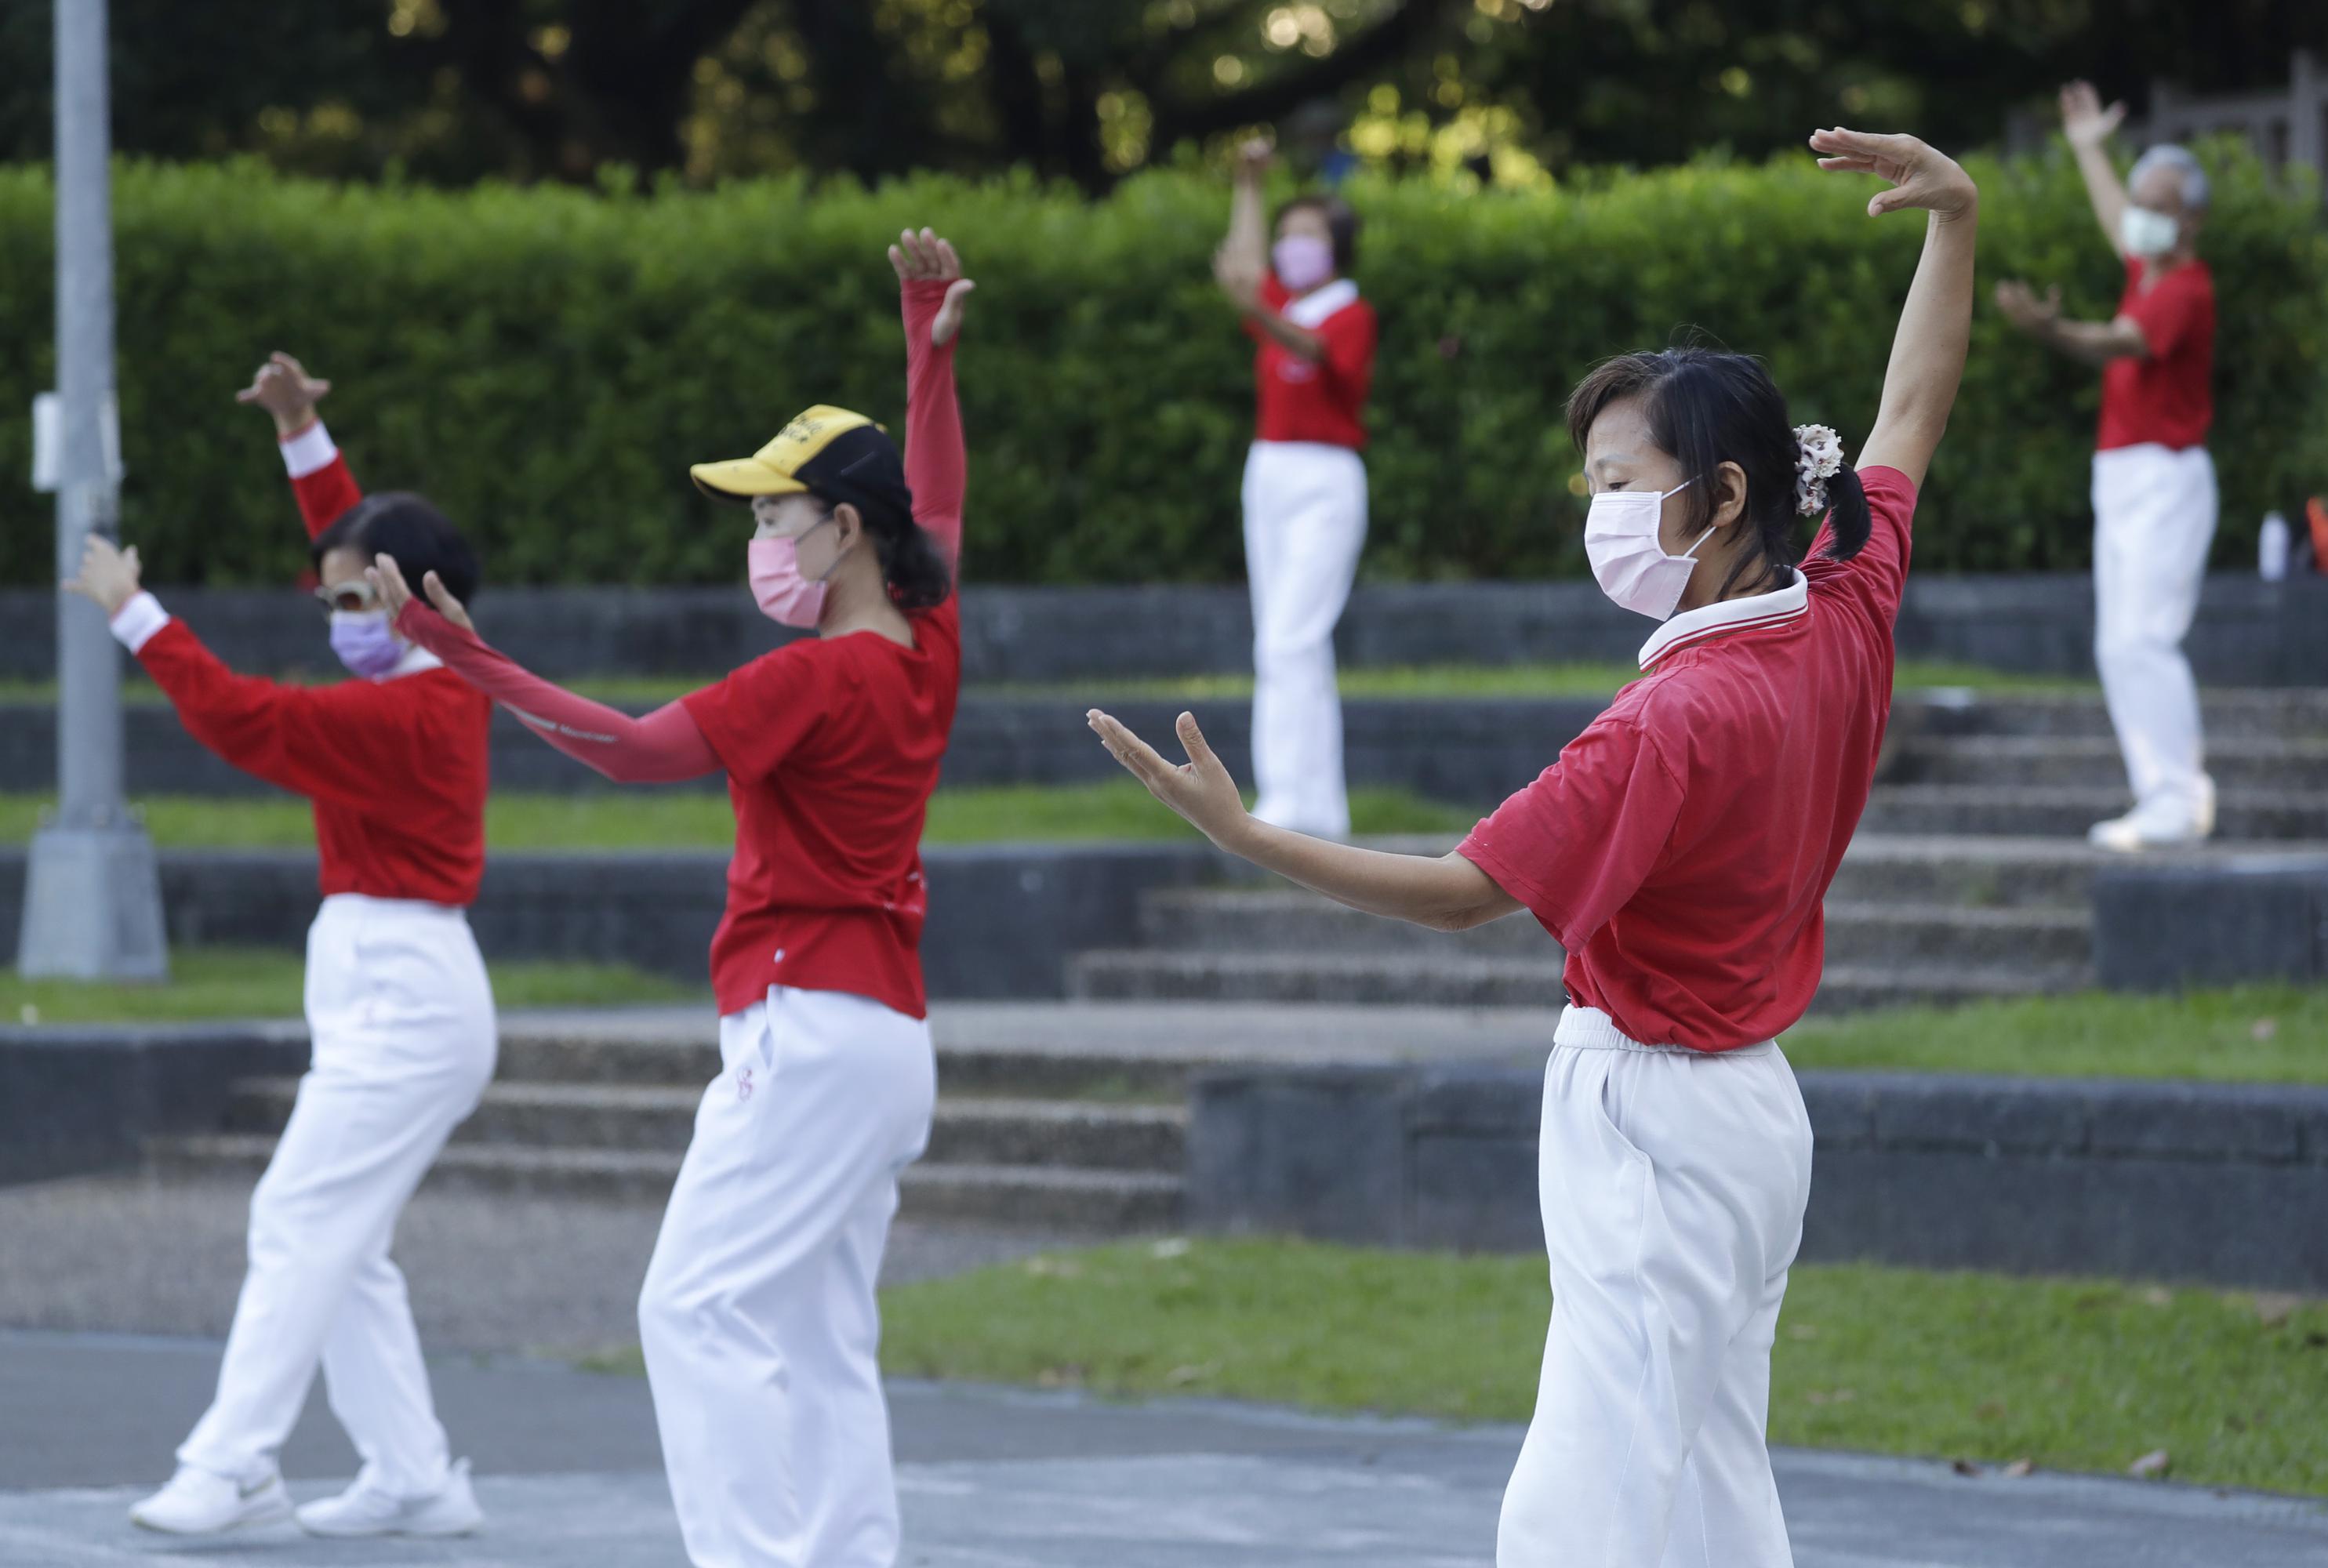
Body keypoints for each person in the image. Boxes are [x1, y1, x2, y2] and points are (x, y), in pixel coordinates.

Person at [1092, 126, 1978, 1568]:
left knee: (1585, 1502)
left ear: (1729, 497)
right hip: (1756, 1115)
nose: (1600, 512)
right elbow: (1911, 412)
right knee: (1705, 1485)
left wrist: (1250, 836)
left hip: (1653, 1108)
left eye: (1620, 481)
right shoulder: (1843, 603)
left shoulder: (1670, 718)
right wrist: (1956, 220)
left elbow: (1464, 896)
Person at [367, 227, 972, 1568]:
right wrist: (926, 347)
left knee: (692, 1309)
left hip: (805, 1029)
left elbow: (630, 750)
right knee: (821, 1337)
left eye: (773, 512)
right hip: (885, 1046)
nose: (759, 536)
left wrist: (466, 658)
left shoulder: (812, 679)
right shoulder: (925, 644)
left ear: (845, 529)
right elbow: (941, 506)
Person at [65, 356, 495, 1539]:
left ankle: (235, 1462)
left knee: (300, 1219)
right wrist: (305, 433)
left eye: (356, 604)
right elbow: (350, 546)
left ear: (416, 599)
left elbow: (244, 719)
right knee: (342, 1243)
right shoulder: (419, 658)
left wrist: (133, 610)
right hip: (387, 981)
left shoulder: (411, 708)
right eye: (334, 602)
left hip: (406, 993)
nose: (338, 617)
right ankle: (416, 1477)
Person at [1997, 82, 2219, 851]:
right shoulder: (2149, 267)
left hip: (2165, 477)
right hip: (2126, 475)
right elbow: (2114, 217)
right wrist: (2091, 147)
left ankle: (2177, 798)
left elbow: (2118, 342)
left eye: (2157, 203)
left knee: (2142, 640)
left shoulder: (2184, 289)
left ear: (2190, 218)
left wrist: (2048, 327)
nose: (2141, 212)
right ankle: (2162, 794)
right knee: (2118, 642)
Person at [1215, 134, 1378, 841]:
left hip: (1326, 478)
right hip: (1270, 470)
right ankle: (1314, 806)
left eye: (1307, 235)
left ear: (1336, 247)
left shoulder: (1349, 312)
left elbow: (1310, 349)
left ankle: (1292, 802)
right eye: (1287, 235)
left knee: (1292, 637)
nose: (1290, 246)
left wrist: (1256, 311)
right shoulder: (1288, 302)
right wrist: (1248, 186)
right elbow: (1247, 270)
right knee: (1280, 643)